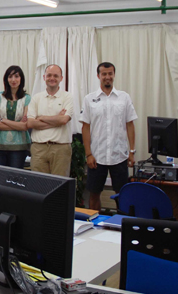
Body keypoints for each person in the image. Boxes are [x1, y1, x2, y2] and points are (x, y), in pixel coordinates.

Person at [80, 62, 137, 211]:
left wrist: (132, 152)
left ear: (114, 75)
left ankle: (121, 226)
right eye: (104, 74)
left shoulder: (124, 98)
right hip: (97, 157)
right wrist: (88, 154)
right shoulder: (89, 99)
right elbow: (85, 128)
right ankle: (93, 227)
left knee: (122, 194)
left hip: (119, 155)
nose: (107, 77)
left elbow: (130, 125)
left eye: (110, 74)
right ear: (98, 76)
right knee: (94, 194)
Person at [27, 64, 74, 177]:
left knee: (59, 187)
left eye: (55, 76)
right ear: (44, 77)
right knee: (39, 187)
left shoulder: (68, 97)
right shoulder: (36, 98)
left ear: (61, 78)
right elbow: (30, 123)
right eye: (49, 75)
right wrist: (56, 120)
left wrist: (42, 117)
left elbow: (64, 120)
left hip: (61, 149)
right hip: (39, 148)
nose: (52, 78)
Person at [0, 65, 31, 169]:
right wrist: (18, 125)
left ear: (21, 79)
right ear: (6, 79)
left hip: (19, 147)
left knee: (15, 180)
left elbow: (25, 126)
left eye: (16, 76)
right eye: (10, 76)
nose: (13, 80)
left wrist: (3, 120)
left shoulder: (27, 98)